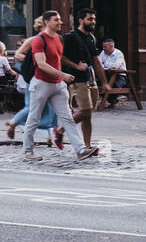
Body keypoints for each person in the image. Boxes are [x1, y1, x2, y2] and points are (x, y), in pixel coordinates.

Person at [23, 10, 96, 162]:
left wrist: (75, 67)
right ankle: (28, 151)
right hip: (41, 83)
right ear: (46, 22)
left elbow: (59, 60)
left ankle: (80, 149)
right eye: (56, 20)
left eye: (60, 20)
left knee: (68, 118)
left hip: (57, 85)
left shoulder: (59, 39)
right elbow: (42, 64)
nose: (60, 22)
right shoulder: (39, 40)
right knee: (34, 118)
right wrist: (63, 75)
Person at [7, 16, 62, 147]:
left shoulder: (53, 40)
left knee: (52, 108)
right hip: (34, 77)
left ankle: (51, 135)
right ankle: (14, 122)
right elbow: (18, 54)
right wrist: (36, 59)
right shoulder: (34, 39)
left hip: (49, 77)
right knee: (33, 107)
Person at [61, 9, 105, 150]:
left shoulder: (91, 37)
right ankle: (60, 130)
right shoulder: (70, 37)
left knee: (88, 114)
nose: (93, 22)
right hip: (77, 79)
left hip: (90, 79)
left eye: (94, 19)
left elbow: (96, 60)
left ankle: (87, 145)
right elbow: (60, 57)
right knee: (85, 111)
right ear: (80, 20)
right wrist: (76, 66)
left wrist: (104, 81)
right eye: (89, 19)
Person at [99, 38, 127, 102]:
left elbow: (115, 67)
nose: (103, 48)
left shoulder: (119, 54)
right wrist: (107, 68)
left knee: (114, 85)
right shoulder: (102, 53)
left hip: (120, 76)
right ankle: (110, 100)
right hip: (107, 75)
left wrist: (105, 67)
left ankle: (109, 99)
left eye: (105, 47)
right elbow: (99, 64)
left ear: (111, 46)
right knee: (100, 82)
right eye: (103, 46)